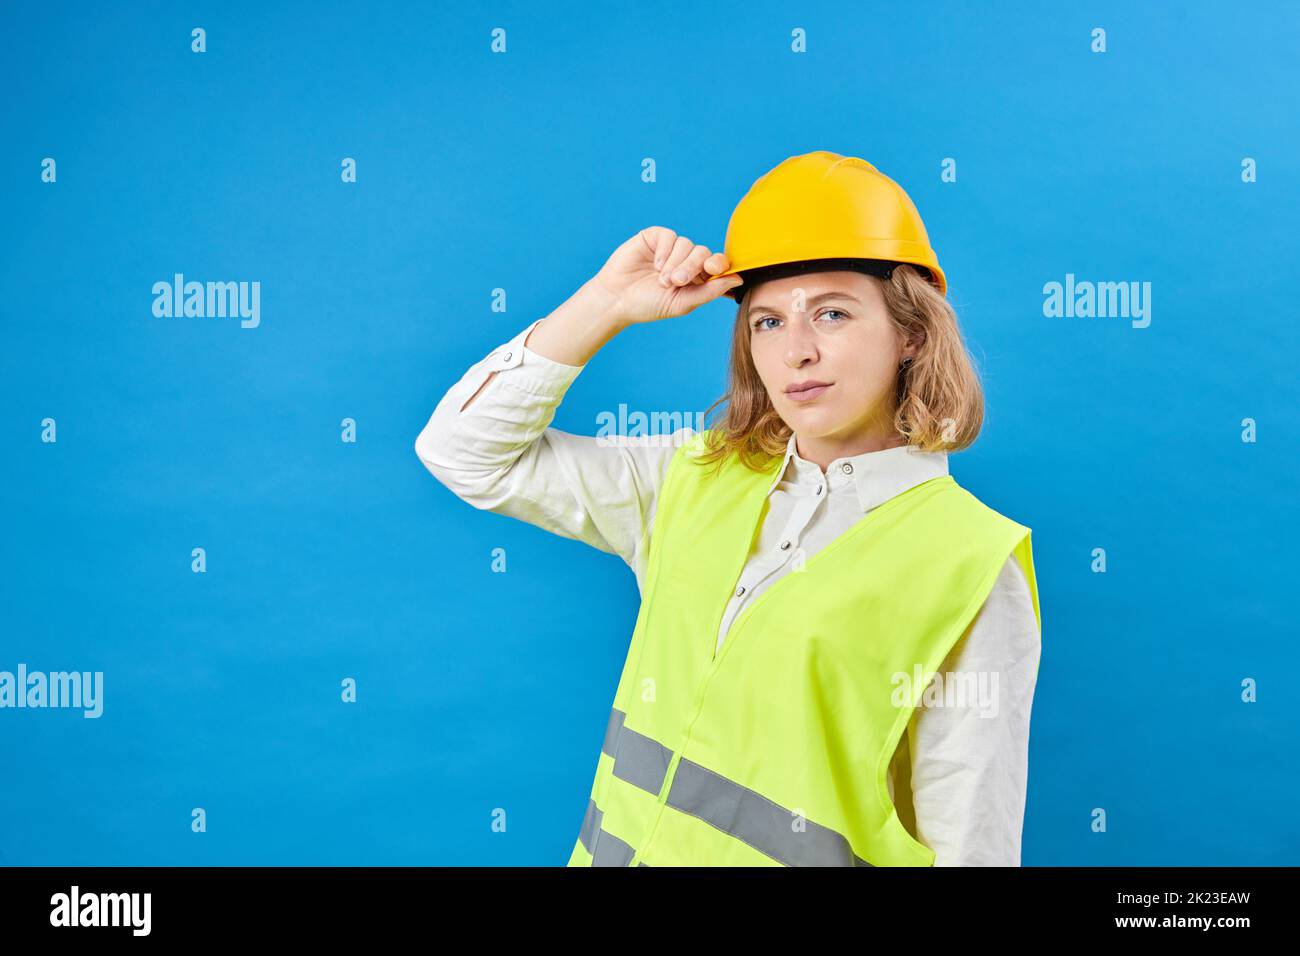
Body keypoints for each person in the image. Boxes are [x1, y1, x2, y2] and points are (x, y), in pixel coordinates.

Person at [415, 151, 1042, 866]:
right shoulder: (690, 478)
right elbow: (463, 451)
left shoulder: (969, 564)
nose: (796, 352)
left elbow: (972, 844)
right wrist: (606, 304)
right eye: (767, 323)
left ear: (913, 335)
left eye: (831, 313)